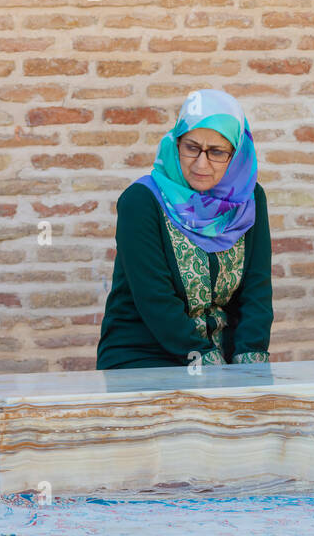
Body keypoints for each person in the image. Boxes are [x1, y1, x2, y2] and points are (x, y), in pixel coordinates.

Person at [96, 89, 273, 369]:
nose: (201, 164)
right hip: (144, 356)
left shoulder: (248, 199)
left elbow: (257, 289)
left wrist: (250, 361)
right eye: (191, 147)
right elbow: (155, 299)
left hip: (222, 358)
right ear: (176, 142)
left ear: (237, 154)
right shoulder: (141, 201)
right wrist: (207, 363)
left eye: (216, 152)